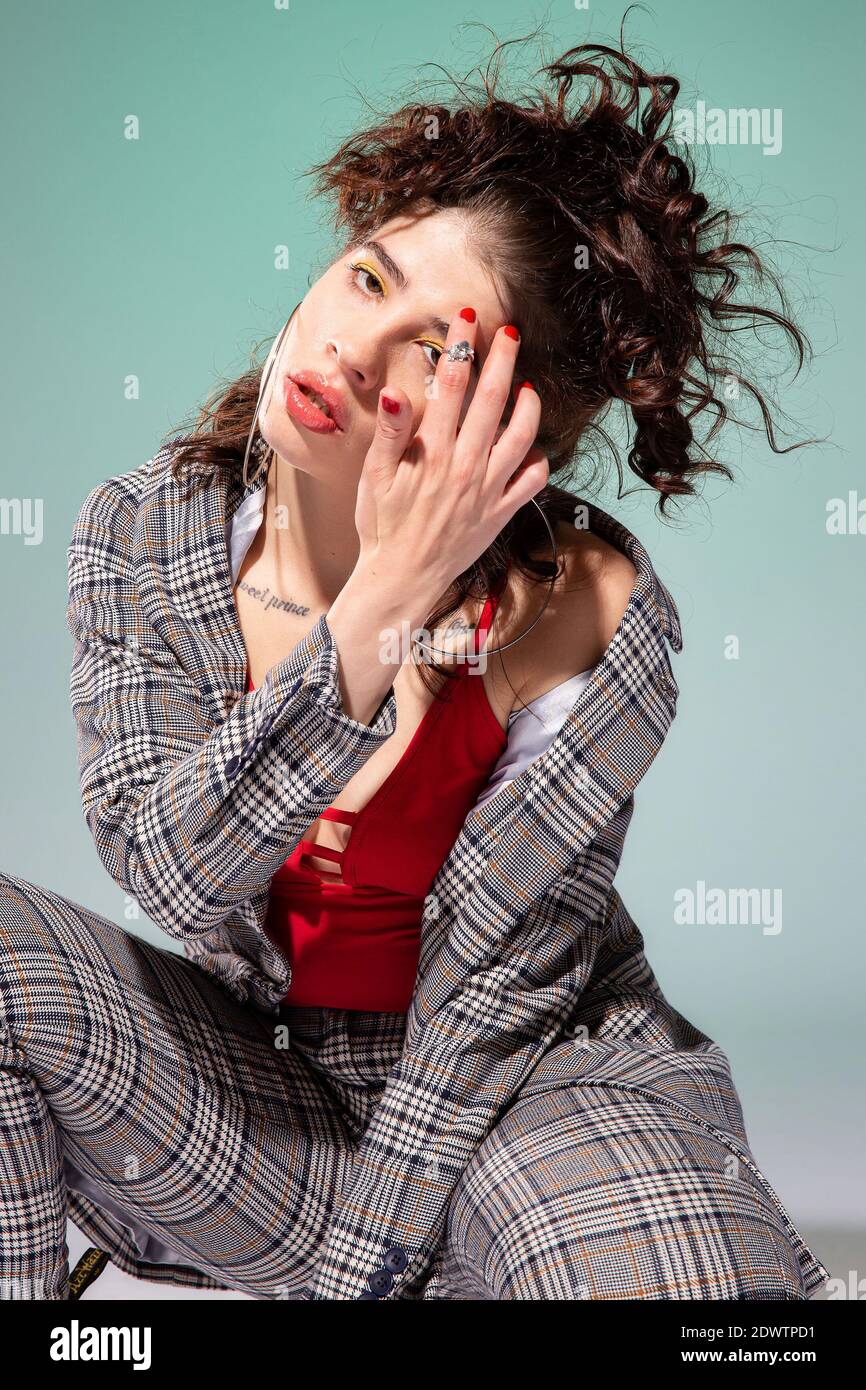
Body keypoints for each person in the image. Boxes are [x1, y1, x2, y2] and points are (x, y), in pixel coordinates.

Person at [0, 35, 830, 1300]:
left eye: (434, 352)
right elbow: (167, 867)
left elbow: (490, 1000)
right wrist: (375, 605)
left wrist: (359, 1282)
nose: (348, 350)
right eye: (362, 280)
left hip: (529, 1095)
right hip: (270, 1096)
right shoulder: (144, 531)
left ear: (508, 430)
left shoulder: (586, 613)